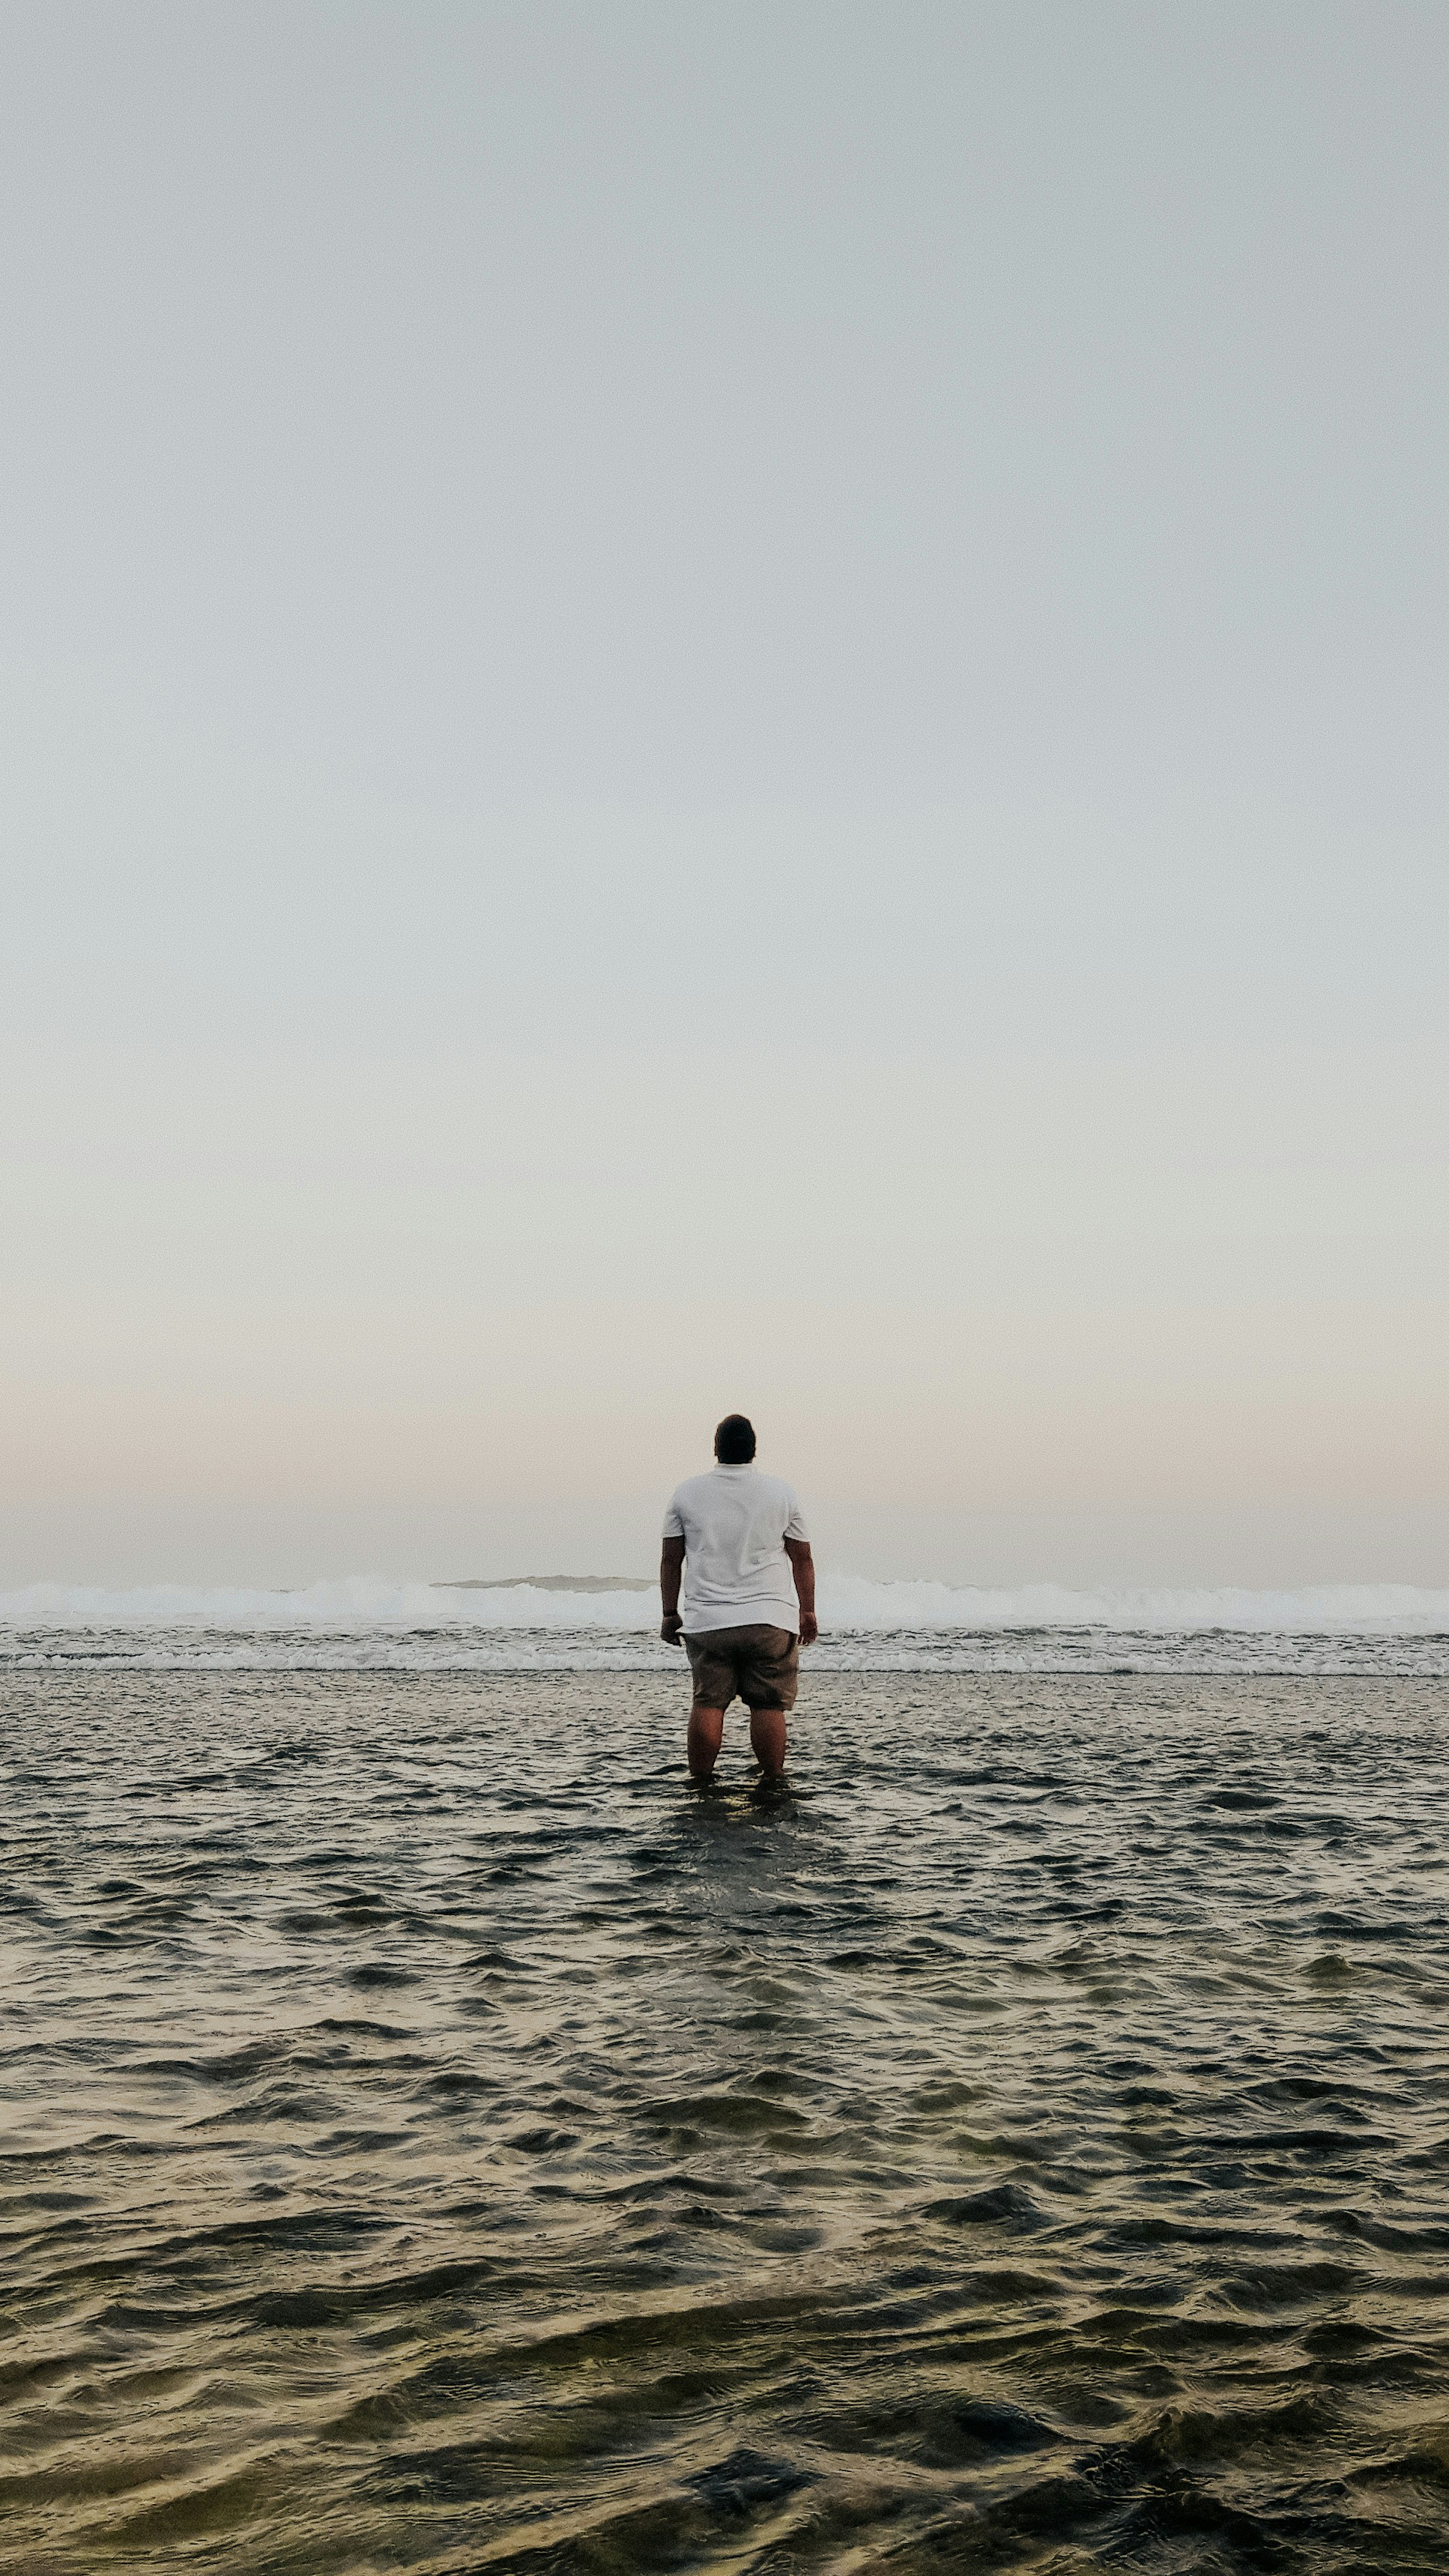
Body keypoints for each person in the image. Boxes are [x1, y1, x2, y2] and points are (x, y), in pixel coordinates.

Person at [660, 1414, 817, 1782]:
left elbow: (671, 1558)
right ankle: (772, 1779)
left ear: (716, 1448)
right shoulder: (781, 1492)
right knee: (768, 1704)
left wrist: (670, 1612)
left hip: (709, 1621)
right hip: (769, 1619)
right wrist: (807, 1610)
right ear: (754, 1450)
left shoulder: (686, 1492)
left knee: (708, 1702)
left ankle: (701, 1781)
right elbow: (802, 1557)